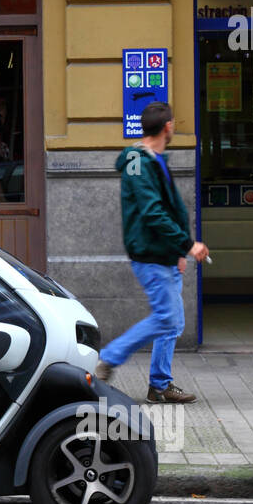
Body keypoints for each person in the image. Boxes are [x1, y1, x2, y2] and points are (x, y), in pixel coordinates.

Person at [95, 101, 209, 403]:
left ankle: (159, 385)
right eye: (174, 123)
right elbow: (152, 212)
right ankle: (108, 358)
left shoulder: (153, 159)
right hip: (150, 255)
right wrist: (187, 244)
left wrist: (177, 252)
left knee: (173, 321)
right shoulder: (138, 160)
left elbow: (166, 210)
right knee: (167, 318)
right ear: (168, 126)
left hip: (164, 254)